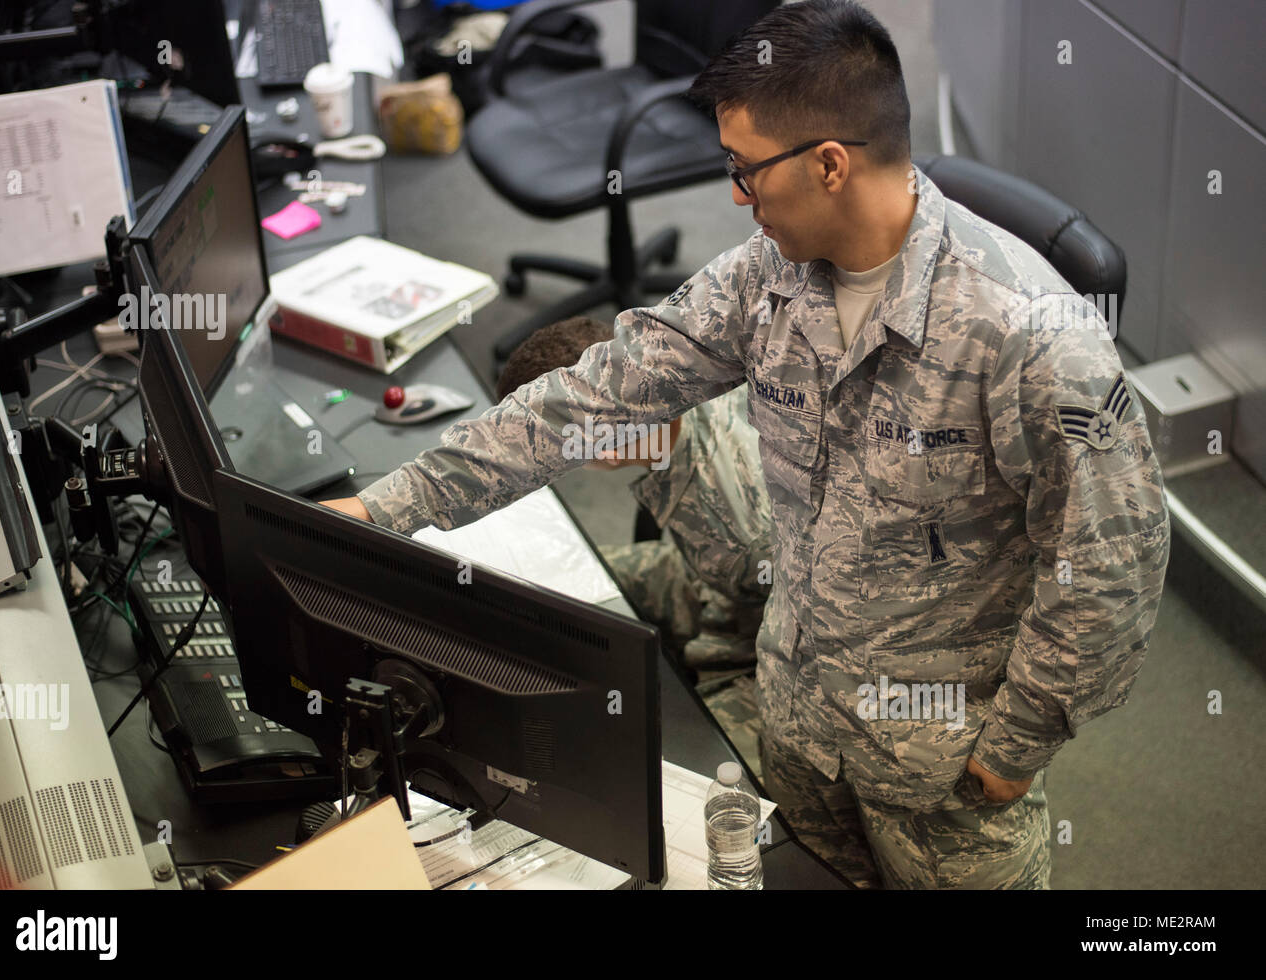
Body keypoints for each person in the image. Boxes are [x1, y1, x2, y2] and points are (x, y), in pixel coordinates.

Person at [323, 0, 1169, 889]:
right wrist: (387, 508)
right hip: (798, 729)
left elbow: (1113, 561)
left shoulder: (1029, 335)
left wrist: (1022, 739)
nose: (735, 194)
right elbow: (590, 396)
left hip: (944, 777)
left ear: (831, 164)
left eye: (745, 170)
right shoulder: (770, 278)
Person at [496, 316, 776, 810]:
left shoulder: (739, 521)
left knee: (667, 781)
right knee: (546, 585)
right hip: (717, 581)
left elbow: (816, 644)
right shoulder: (681, 372)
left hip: (766, 651)